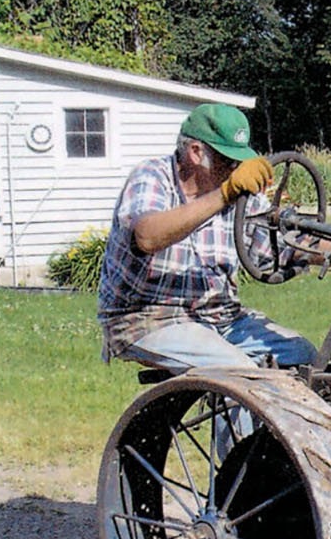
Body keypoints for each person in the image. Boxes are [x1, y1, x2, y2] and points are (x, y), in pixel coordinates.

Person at [97, 103, 317, 373]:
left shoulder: (238, 194)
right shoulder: (152, 176)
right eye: (228, 160)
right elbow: (147, 236)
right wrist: (225, 193)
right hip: (146, 320)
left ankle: (274, 415)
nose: (236, 169)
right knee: (239, 373)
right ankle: (241, 409)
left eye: (240, 162)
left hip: (221, 317)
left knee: (303, 355)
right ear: (196, 152)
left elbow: (286, 247)